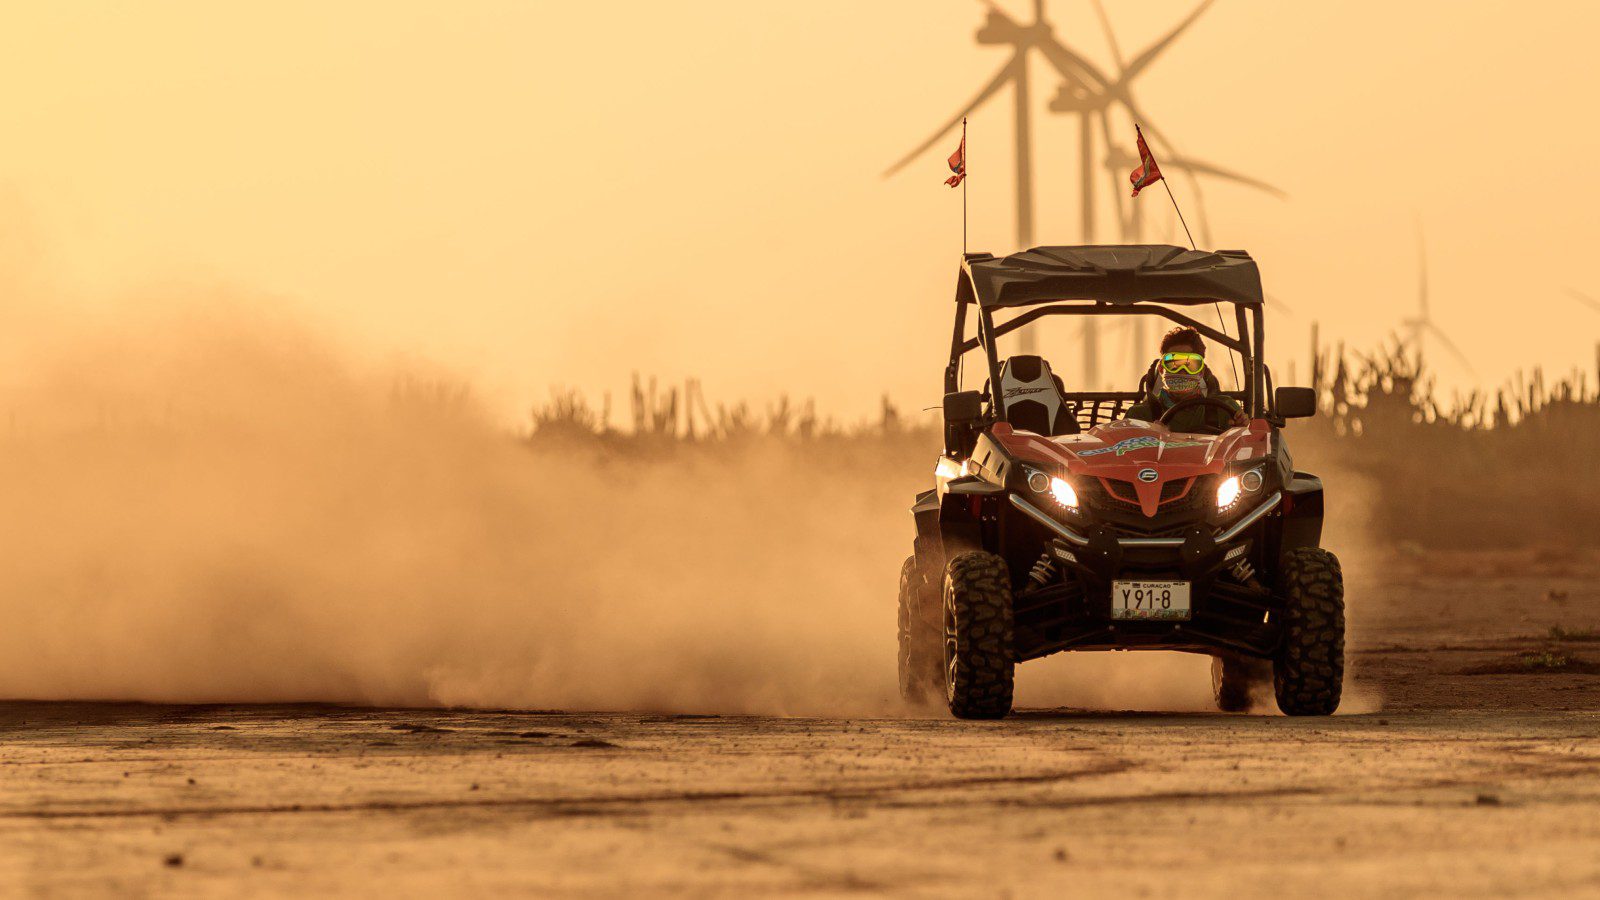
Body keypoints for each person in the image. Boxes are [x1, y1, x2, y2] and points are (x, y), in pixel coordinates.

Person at [1124, 326, 1247, 433]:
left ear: (1201, 371)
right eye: (1173, 364)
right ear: (1161, 369)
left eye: (1190, 365)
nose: (1182, 370)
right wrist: (1149, 437)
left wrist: (1243, 430)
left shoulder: (1225, 410)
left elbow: (1248, 448)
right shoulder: (1139, 417)